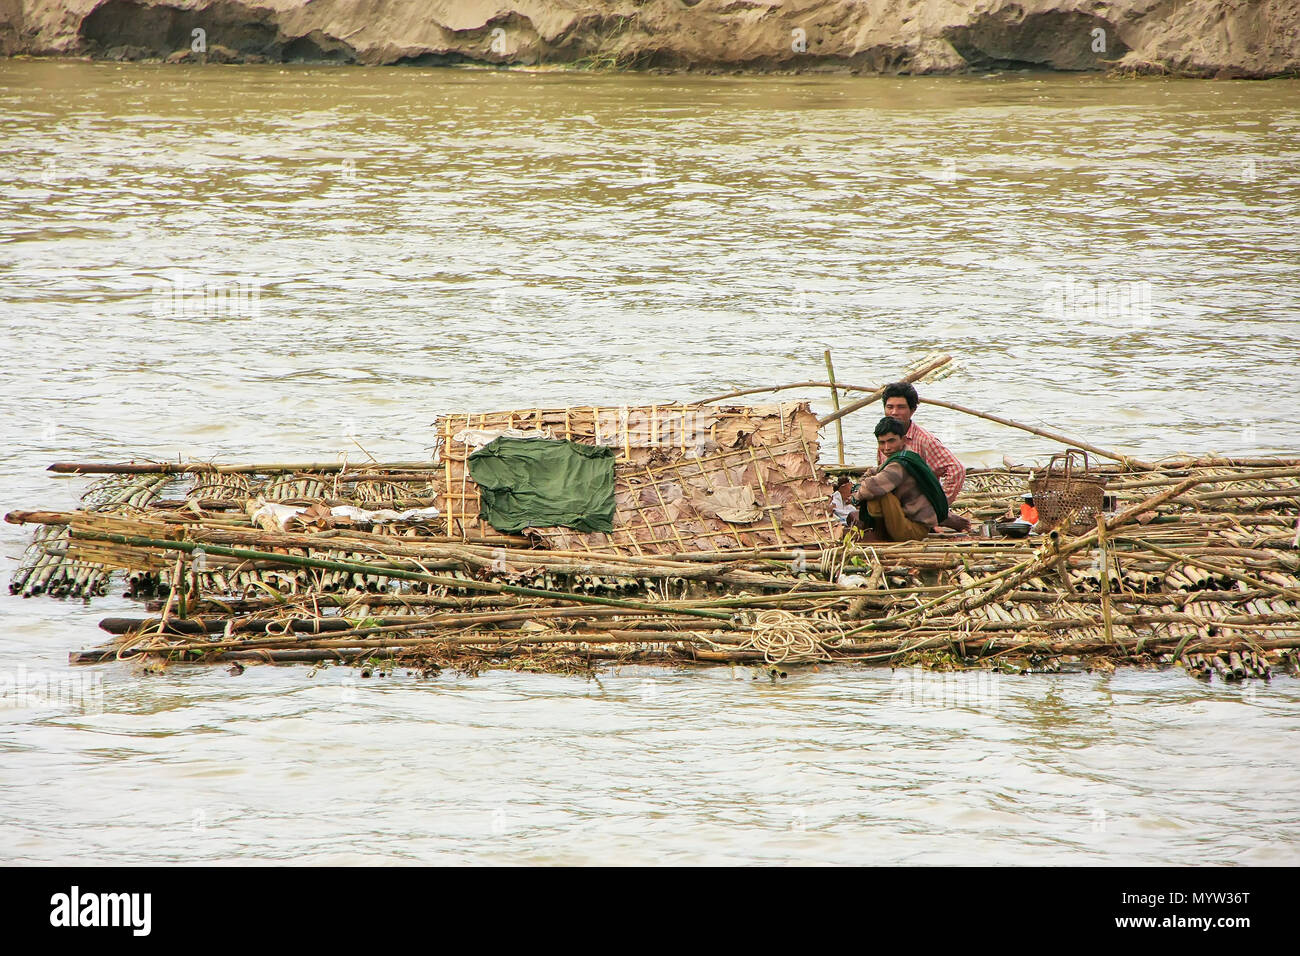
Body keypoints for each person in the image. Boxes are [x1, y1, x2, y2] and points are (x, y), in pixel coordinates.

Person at [854, 417, 949, 541]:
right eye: (882, 443)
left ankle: (880, 536)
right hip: (912, 522)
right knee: (877, 486)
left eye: (891, 441)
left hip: (913, 531)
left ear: (903, 439)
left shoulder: (898, 465)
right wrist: (863, 483)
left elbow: (871, 487)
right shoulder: (905, 455)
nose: (886, 447)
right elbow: (873, 472)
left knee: (879, 493)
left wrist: (854, 495)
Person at [879, 381, 966, 503]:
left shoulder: (925, 441)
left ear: (912, 410)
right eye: (890, 407)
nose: (894, 412)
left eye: (901, 407)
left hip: (918, 509)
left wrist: (940, 505)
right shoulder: (884, 437)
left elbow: (957, 469)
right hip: (894, 505)